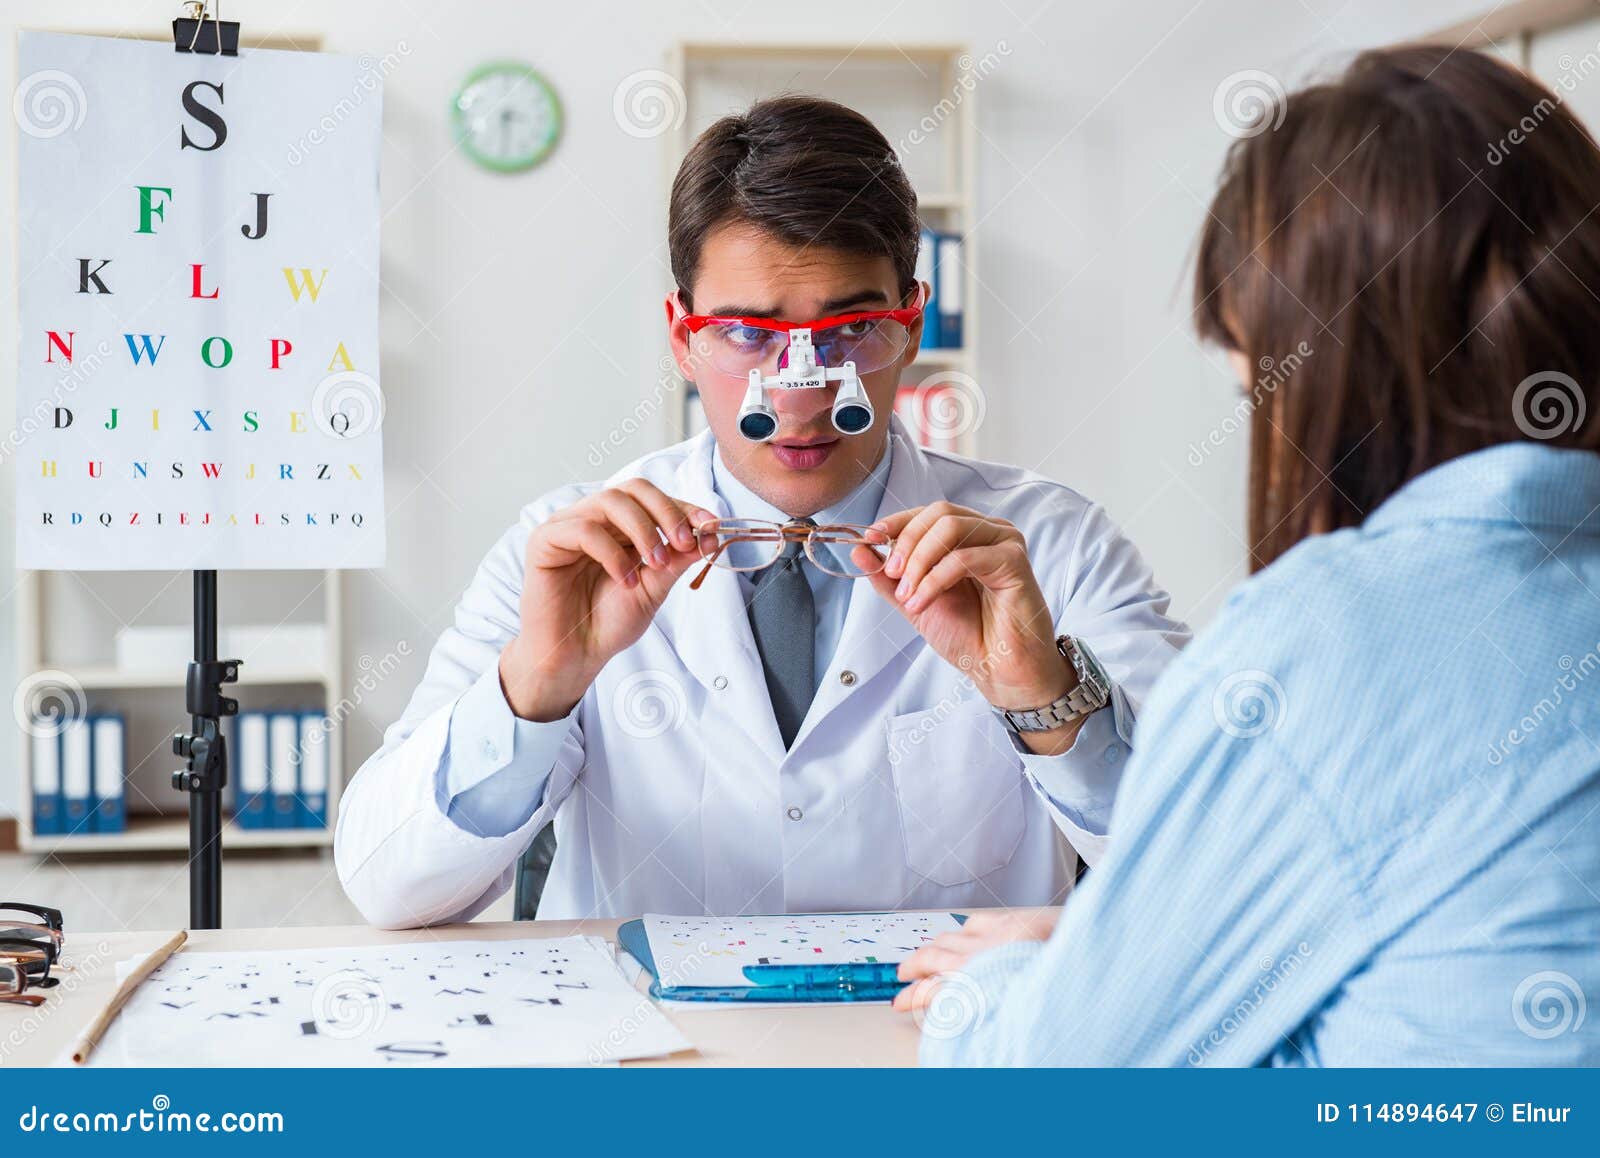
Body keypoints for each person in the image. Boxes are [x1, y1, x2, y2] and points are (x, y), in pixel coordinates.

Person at [903, 45, 1600, 1066]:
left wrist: (1016, 988)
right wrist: (1118, 951)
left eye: (1260, 395)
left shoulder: (1328, 634)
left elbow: (1059, 1081)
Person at [335, 96, 1189, 927]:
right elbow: (389, 888)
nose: (803, 391)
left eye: (853, 327)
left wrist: (1044, 698)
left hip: (940, 1056)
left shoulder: (1053, 548)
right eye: (748, 332)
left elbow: (1216, 867)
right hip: (653, 1059)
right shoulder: (563, 551)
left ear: (911, 326)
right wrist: (534, 689)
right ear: (684, 338)